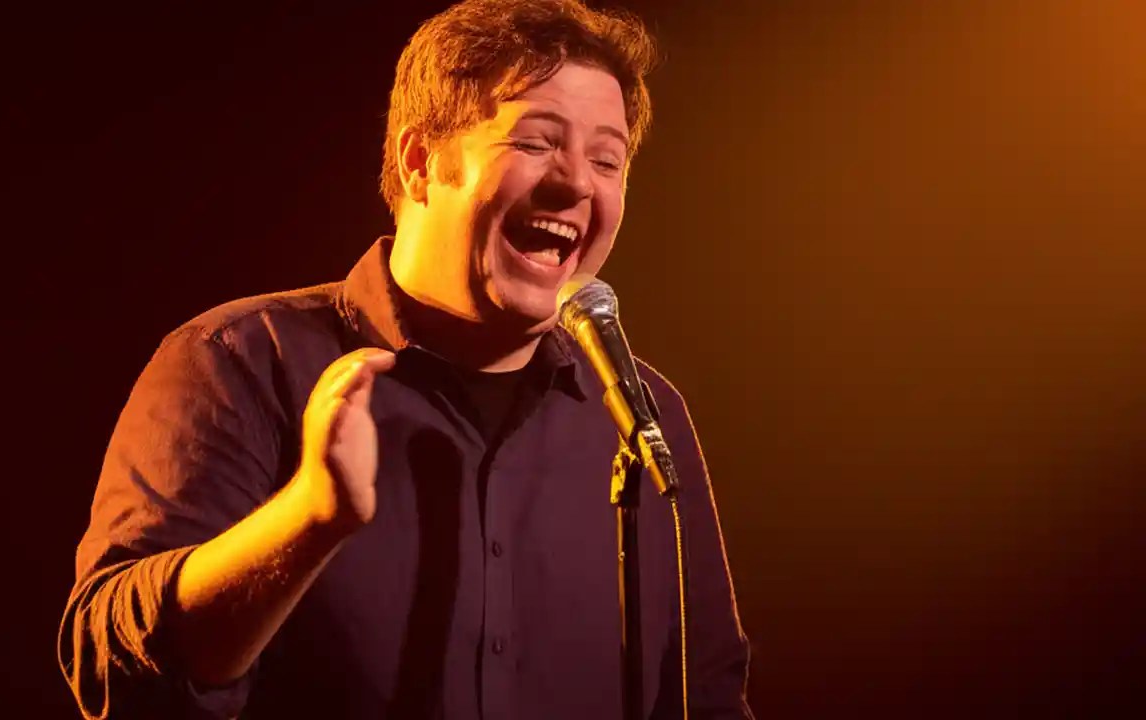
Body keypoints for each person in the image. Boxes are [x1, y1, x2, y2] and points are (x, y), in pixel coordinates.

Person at [58, 1, 754, 718]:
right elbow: (116, 676)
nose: (577, 183)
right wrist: (308, 521)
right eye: (537, 142)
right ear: (420, 162)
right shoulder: (238, 364)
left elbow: (707, 693)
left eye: (608, 159)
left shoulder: (643, 415)